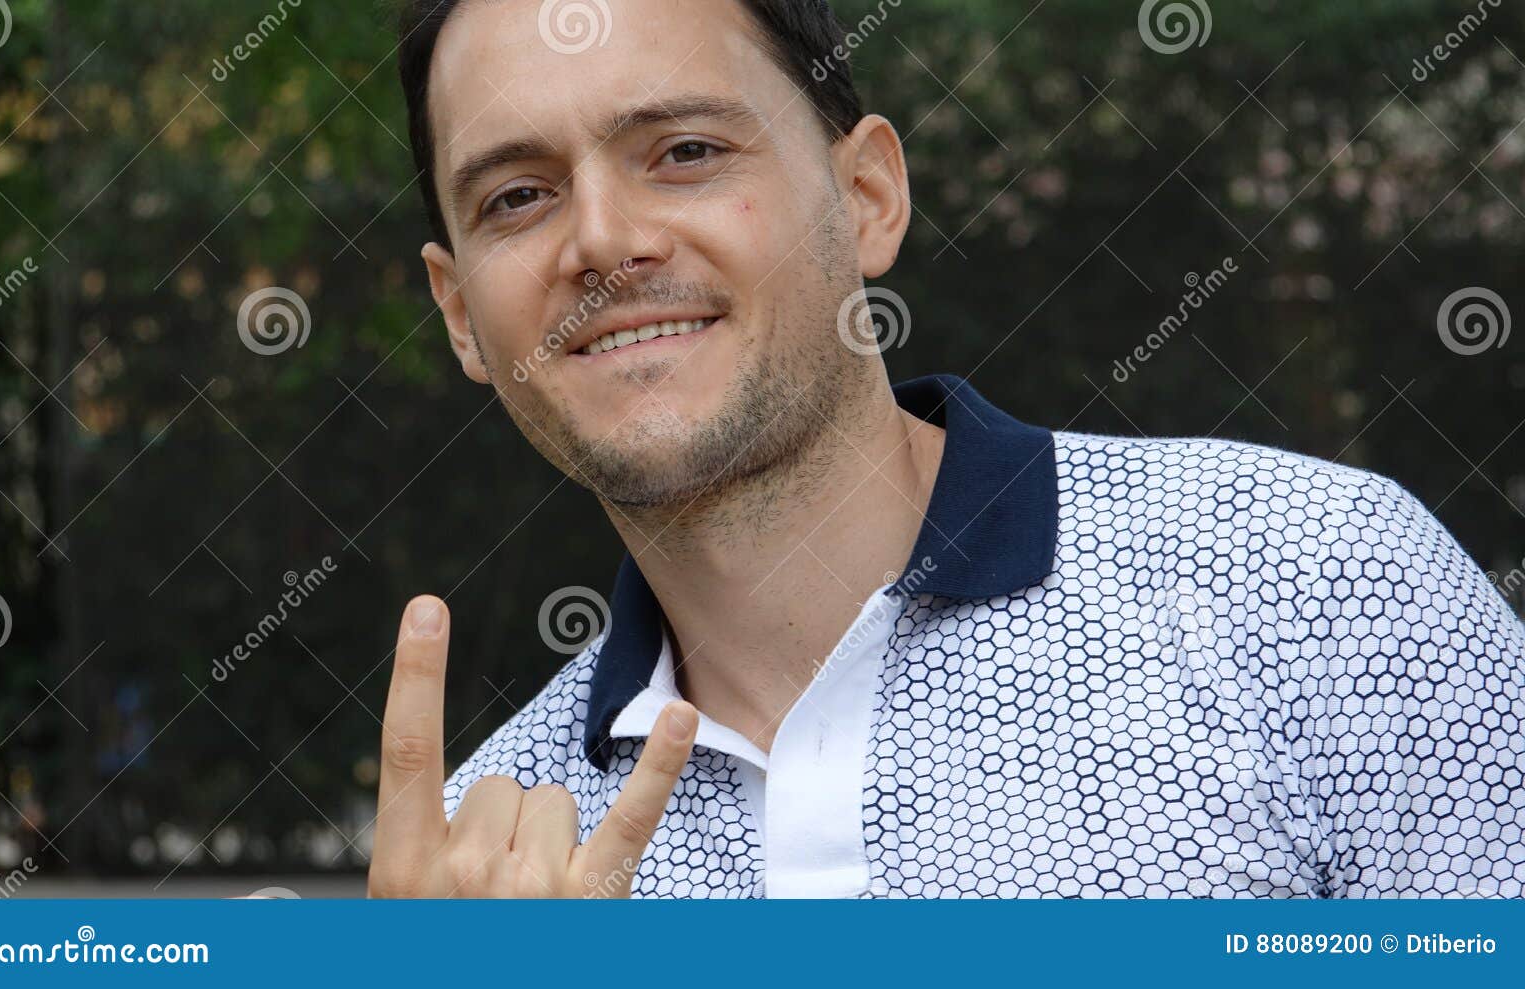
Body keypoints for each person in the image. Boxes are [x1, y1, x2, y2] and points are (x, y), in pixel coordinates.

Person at [366, 0, 1525, 898]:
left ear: (866, 194)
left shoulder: (1316, 585)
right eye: (516, 196)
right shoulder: (479, 865)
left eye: (685, 151)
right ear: (461, 313)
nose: (603, 238)